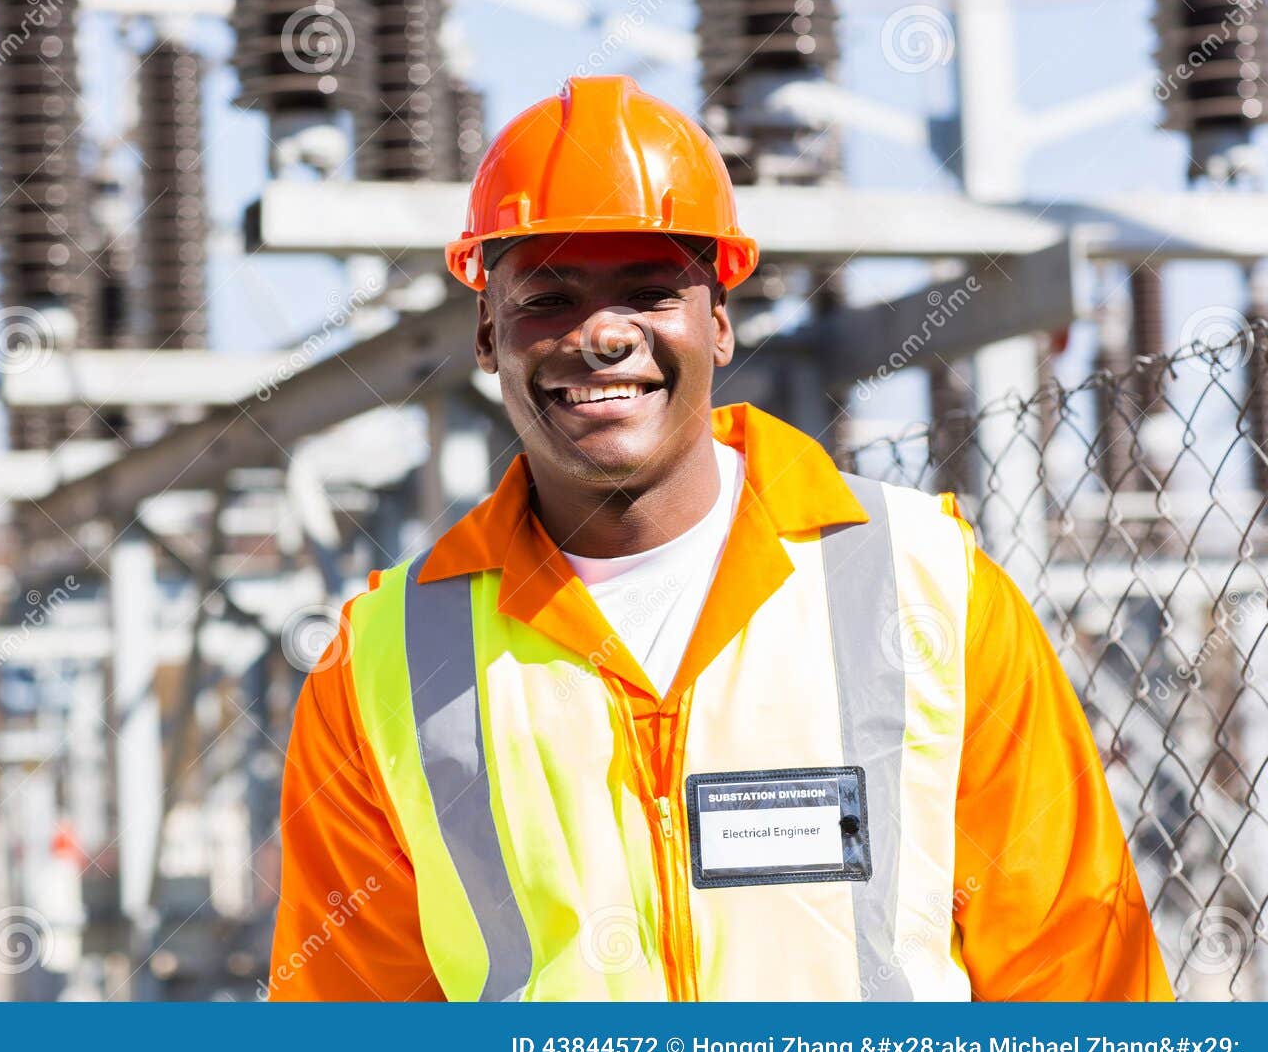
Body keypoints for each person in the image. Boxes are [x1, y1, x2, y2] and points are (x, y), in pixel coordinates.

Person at [266, 74, 1171, 1001]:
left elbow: (1080, 980)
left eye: (650, 292)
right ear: (488, 332)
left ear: (720, 322)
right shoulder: (382, 662)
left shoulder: (929, 591)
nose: (602, 335)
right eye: (547, 297)